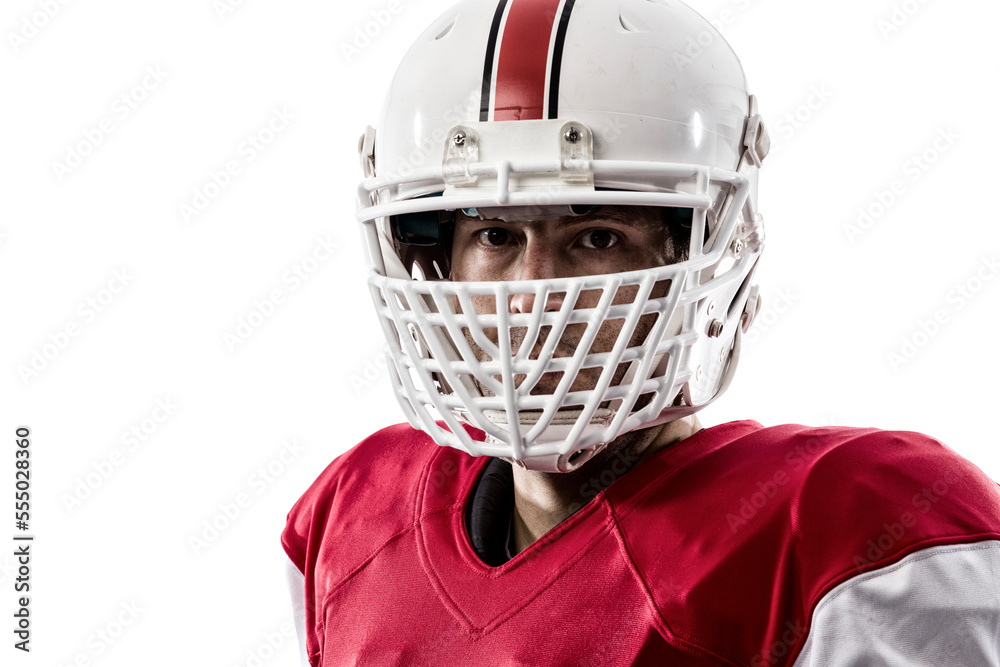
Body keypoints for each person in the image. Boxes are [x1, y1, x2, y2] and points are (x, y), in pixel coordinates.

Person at [283, 0, 1000, 664]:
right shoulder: (352, 519)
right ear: (433, 258)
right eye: (497, 234)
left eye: (596, 237)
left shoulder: (839, 534)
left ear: (695, 254)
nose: (534, 298)